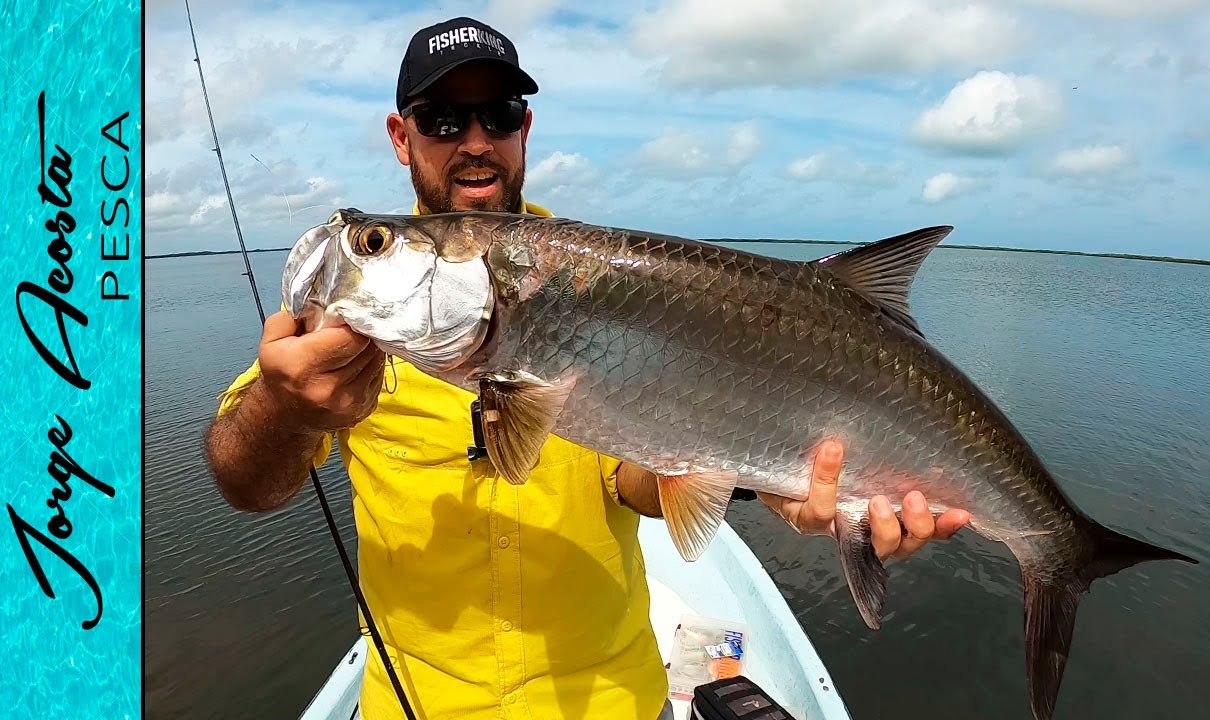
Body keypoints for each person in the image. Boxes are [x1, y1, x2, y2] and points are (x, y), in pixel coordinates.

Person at [203, 16, 970, 720]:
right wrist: (287, 407)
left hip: (614, 701)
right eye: (443, 120)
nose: (475, 139)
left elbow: (636, 480)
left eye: (498, 114)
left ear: (526, 129)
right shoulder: (346, 317)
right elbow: (245, 481)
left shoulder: (592, 280)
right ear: (402, 138)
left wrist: (765, 474)